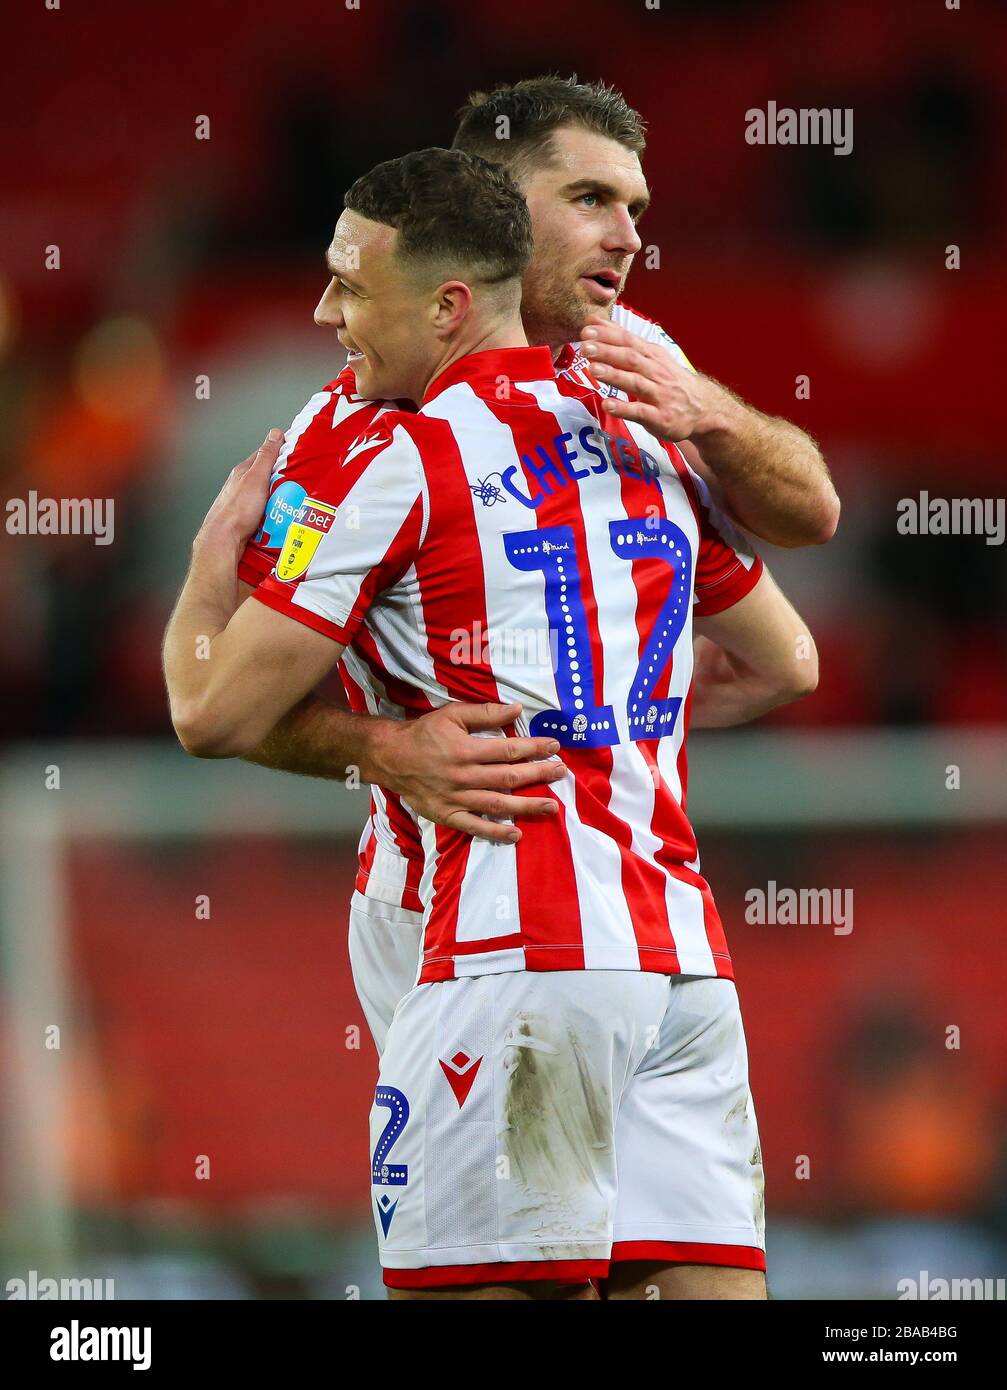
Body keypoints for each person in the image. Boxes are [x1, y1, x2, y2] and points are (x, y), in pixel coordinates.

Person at [164, 146, 819, 1298]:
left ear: (450, 300)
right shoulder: (638, 421)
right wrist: (613, 713)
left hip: (502, 944)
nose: (327, 315)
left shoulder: (383, 446)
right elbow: (789, 659)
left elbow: (209, 710)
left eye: (351, 290)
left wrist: (211, 567)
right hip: (675, 954)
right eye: (591, 200)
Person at [235, 76, 839, 1052]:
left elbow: (810, 516)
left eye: (636, 207)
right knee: (487, 1208)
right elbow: (231, 701)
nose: (630, 236)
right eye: (592, 200)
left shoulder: (635, 358)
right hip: (442, 890)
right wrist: (378, 750)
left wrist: (712, 414)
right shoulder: (359, 417)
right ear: (498, 212)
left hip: (639, 912)